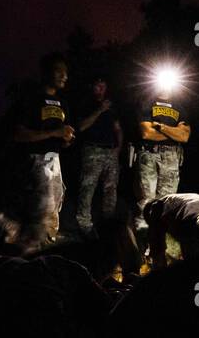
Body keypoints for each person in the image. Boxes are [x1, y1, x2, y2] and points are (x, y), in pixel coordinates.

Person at [12, 52, 75, 246]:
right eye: (59, 71)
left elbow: (62, 134)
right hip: (36, 160)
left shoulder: (62, 103)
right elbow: (18, 134)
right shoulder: (32, 99)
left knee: (55, 204)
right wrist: (54, 133)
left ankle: (48, 245)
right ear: (46, 72)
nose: (64, 75)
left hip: (54, 159)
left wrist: (66, 139)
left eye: (66, 71)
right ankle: (33, 251)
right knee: (41, 209)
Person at [133, 73, 191, 262]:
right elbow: (146, 133)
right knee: (146, 203)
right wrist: (172, 132)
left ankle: (157, 251)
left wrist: (160, 127)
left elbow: (185, 137)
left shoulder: (179, 107)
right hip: (148, 155)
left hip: (172, 157)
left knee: (166, 205)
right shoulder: (146, 102)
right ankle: (140, 251)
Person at [75, 76, 123, 235]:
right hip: (92, 151)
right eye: (98, 86)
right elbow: (81, 127)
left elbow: (118, 129)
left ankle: (107, 223)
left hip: (111, 152)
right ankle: (84, 224)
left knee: (111, 189)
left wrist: (118, 148)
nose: (101, 89)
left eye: (104, 86)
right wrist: (100, 110)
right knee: (88, 188)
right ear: (93, 87)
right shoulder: (85, 104)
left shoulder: (112, 107)